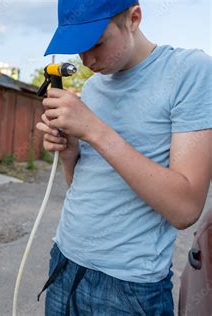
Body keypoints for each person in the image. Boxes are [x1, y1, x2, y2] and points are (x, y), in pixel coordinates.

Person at [36, 0, 211, 314]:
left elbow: (185, 209)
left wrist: (94, 130)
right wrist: (70, 152)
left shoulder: (189, 71)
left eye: (97, 44)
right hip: (64, 260)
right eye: (79, 48)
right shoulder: (91, 88)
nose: (87, 59)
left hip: (128, 287)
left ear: (134, 18)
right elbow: (81, 185)